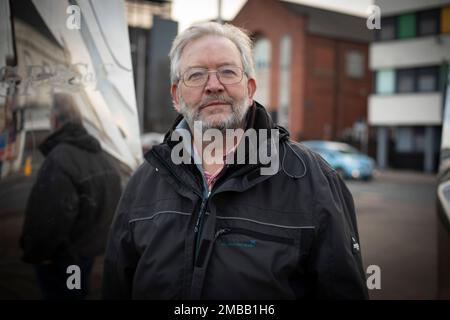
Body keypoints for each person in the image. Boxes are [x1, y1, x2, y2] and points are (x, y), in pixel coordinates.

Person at [102, 22, 369, 299]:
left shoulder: (314, 180)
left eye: (228, 72)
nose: (214, 86)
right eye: (196, 75)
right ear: (176, 96)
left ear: (250, 88)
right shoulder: (144, 181)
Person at [20, 93, 122, 300]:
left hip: (64, 261)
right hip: (85, 254)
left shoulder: (60, 159)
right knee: (76, 292)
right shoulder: (101, 157)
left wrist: (36, 252)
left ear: (55, 120)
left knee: (66, 295)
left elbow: (49, 216)